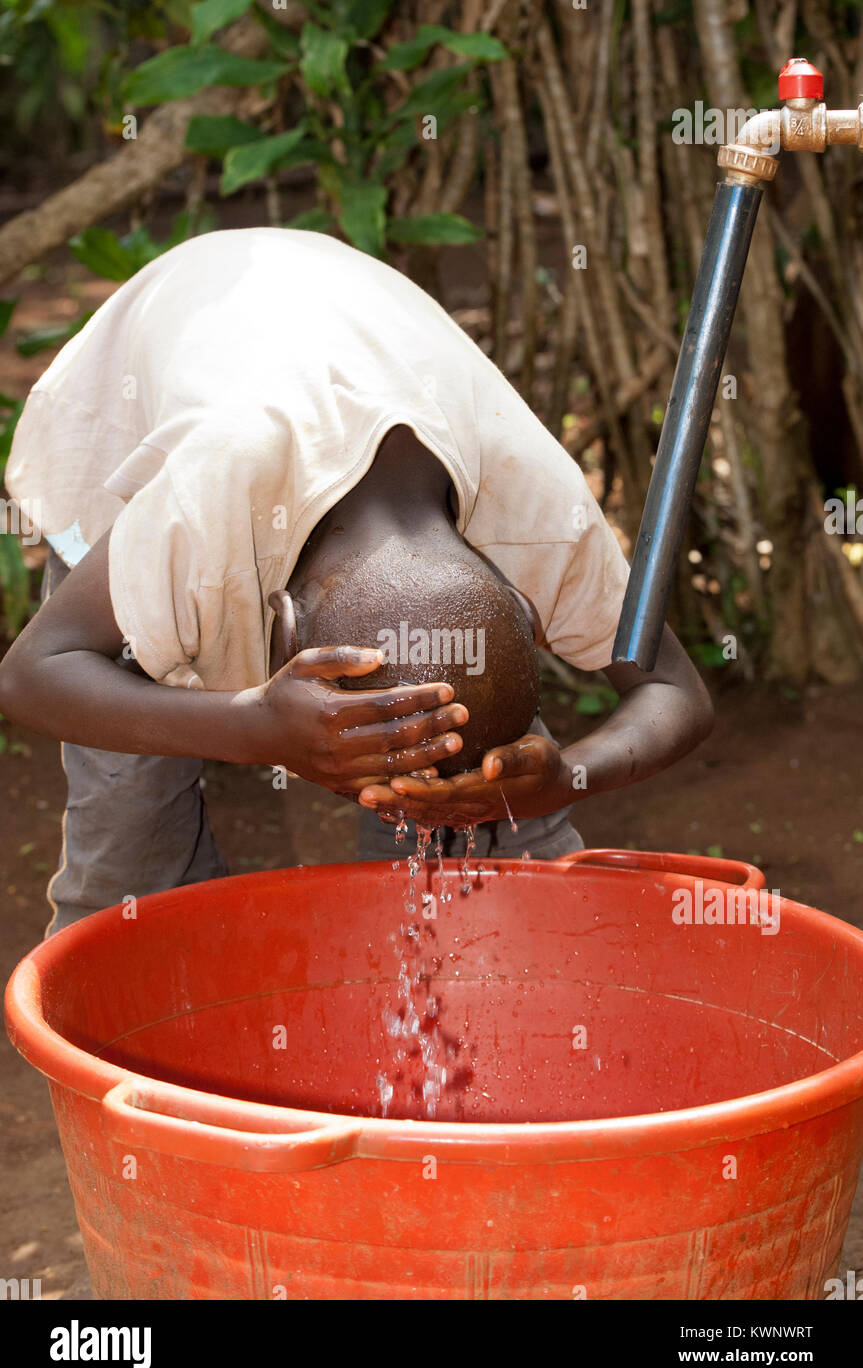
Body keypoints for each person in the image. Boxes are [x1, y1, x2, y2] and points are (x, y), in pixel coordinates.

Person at [0, 228, 713, 934]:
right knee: (133, 841)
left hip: (345, 343)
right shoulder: (202, 498)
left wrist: (562, 776)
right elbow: (34, 675)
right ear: (282, 631)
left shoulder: (539, 519)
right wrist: (253, 727)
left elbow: (672, 691)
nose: (406, 801)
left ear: (518, 610)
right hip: (135, 404)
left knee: (488, 836)